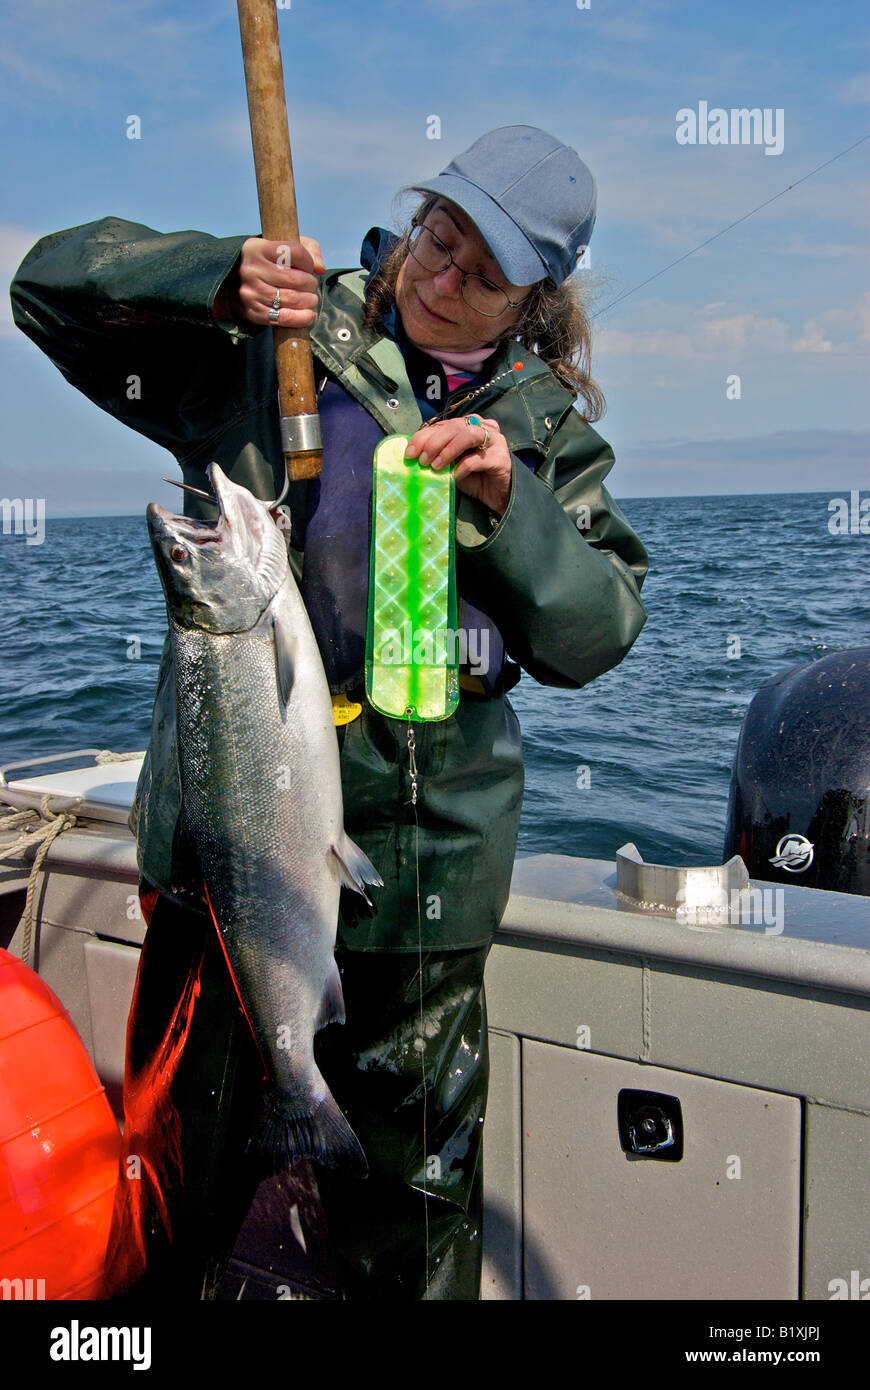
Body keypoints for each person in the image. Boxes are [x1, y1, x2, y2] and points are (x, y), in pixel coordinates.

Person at [10, 124, 649, 1300]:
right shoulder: (281, 335)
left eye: (482, 274)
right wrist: (206, 275)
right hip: (226, 853)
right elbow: (47, 292)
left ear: (533, 303)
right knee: (175, 1176)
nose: (439, 274)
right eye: (437, 235)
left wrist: (514, 509)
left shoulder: (548, 429)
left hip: (426, 875)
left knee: (407, 1224)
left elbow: (597, 629)